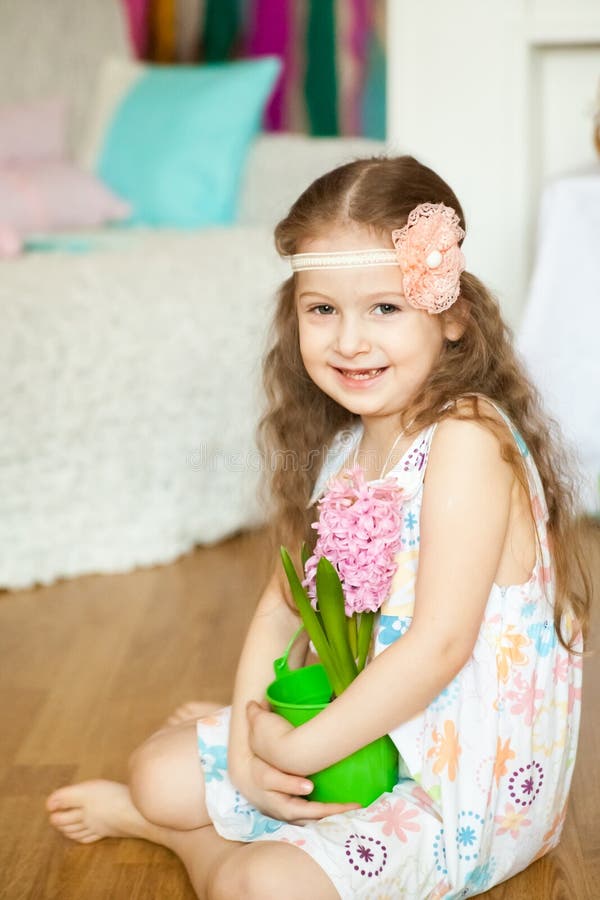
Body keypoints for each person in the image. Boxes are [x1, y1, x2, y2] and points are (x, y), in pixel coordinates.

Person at [46, 155, 590, 899]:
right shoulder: (343, 448)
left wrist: (293, 750)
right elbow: (280, 606)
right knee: (154, 773)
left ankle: (186, 842)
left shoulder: (466, 438)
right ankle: (209, 805)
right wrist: (246, 743)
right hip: (366, 741)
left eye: (386, 309)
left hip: (461, 784)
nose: (349, 341)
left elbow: (437, 647)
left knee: (261, 887)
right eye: (322, 309)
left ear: (453, 313)